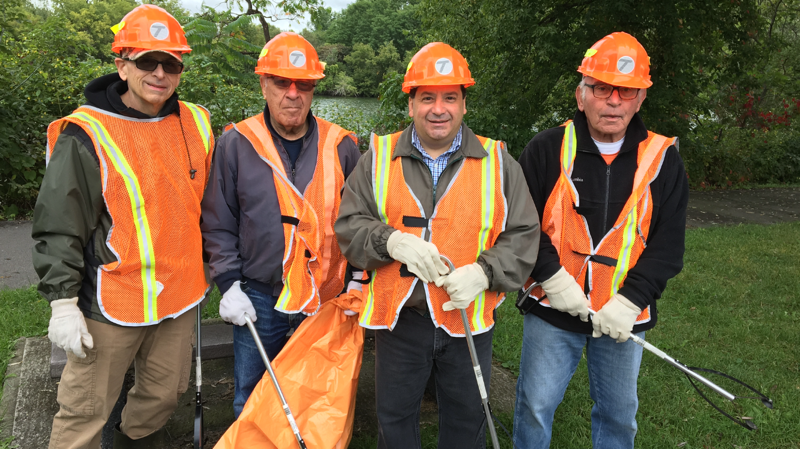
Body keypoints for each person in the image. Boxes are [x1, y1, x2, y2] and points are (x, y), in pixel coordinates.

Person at [335, 42, 539, 448]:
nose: (438, 108)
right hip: (400, 321)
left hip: (468, 319)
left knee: (466, 423)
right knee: (394, 422)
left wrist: (485, 272)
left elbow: (524, 234)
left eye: (450, 97)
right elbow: (348, 225)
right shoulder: (376, 157)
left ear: (464, 104)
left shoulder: (498, 162)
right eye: (427, 97)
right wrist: (390, 240)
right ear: (410, 104)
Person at [32, 5, 214, 448]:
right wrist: (62, 303)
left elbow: (207, 205)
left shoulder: (196, 121)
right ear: (122, 64)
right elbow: (60, 225)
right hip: (114, 300)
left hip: (179, 296)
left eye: (170, 63)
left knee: (162, 396)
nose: (159, 72)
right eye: (147, 61)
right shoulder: (87, 133)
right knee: (84, 412)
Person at [513, 32, 689, 448]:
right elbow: (519, 225)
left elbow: (668, 244)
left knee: (619, 416)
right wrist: (552, 280)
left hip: (623, 318)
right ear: (581, 95)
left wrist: (630, 301)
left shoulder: (663, 158)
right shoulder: (546, 149)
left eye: (626, 91)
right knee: (535, 406)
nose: (613, 101)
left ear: (640, 99)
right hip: (552, 309)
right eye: (601, 88)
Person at [200, 31, 361, 418]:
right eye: (281, 82)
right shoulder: (236, 144)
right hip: (258, 297)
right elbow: (219, 220)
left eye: (303, 84)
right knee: (253, 398)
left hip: (325, 296)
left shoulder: (342, 146)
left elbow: (360, 221)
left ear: (313, 89)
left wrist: (359, 278)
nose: (293, 93)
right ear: (263, 84)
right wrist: (228, 284)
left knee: (317, 400)